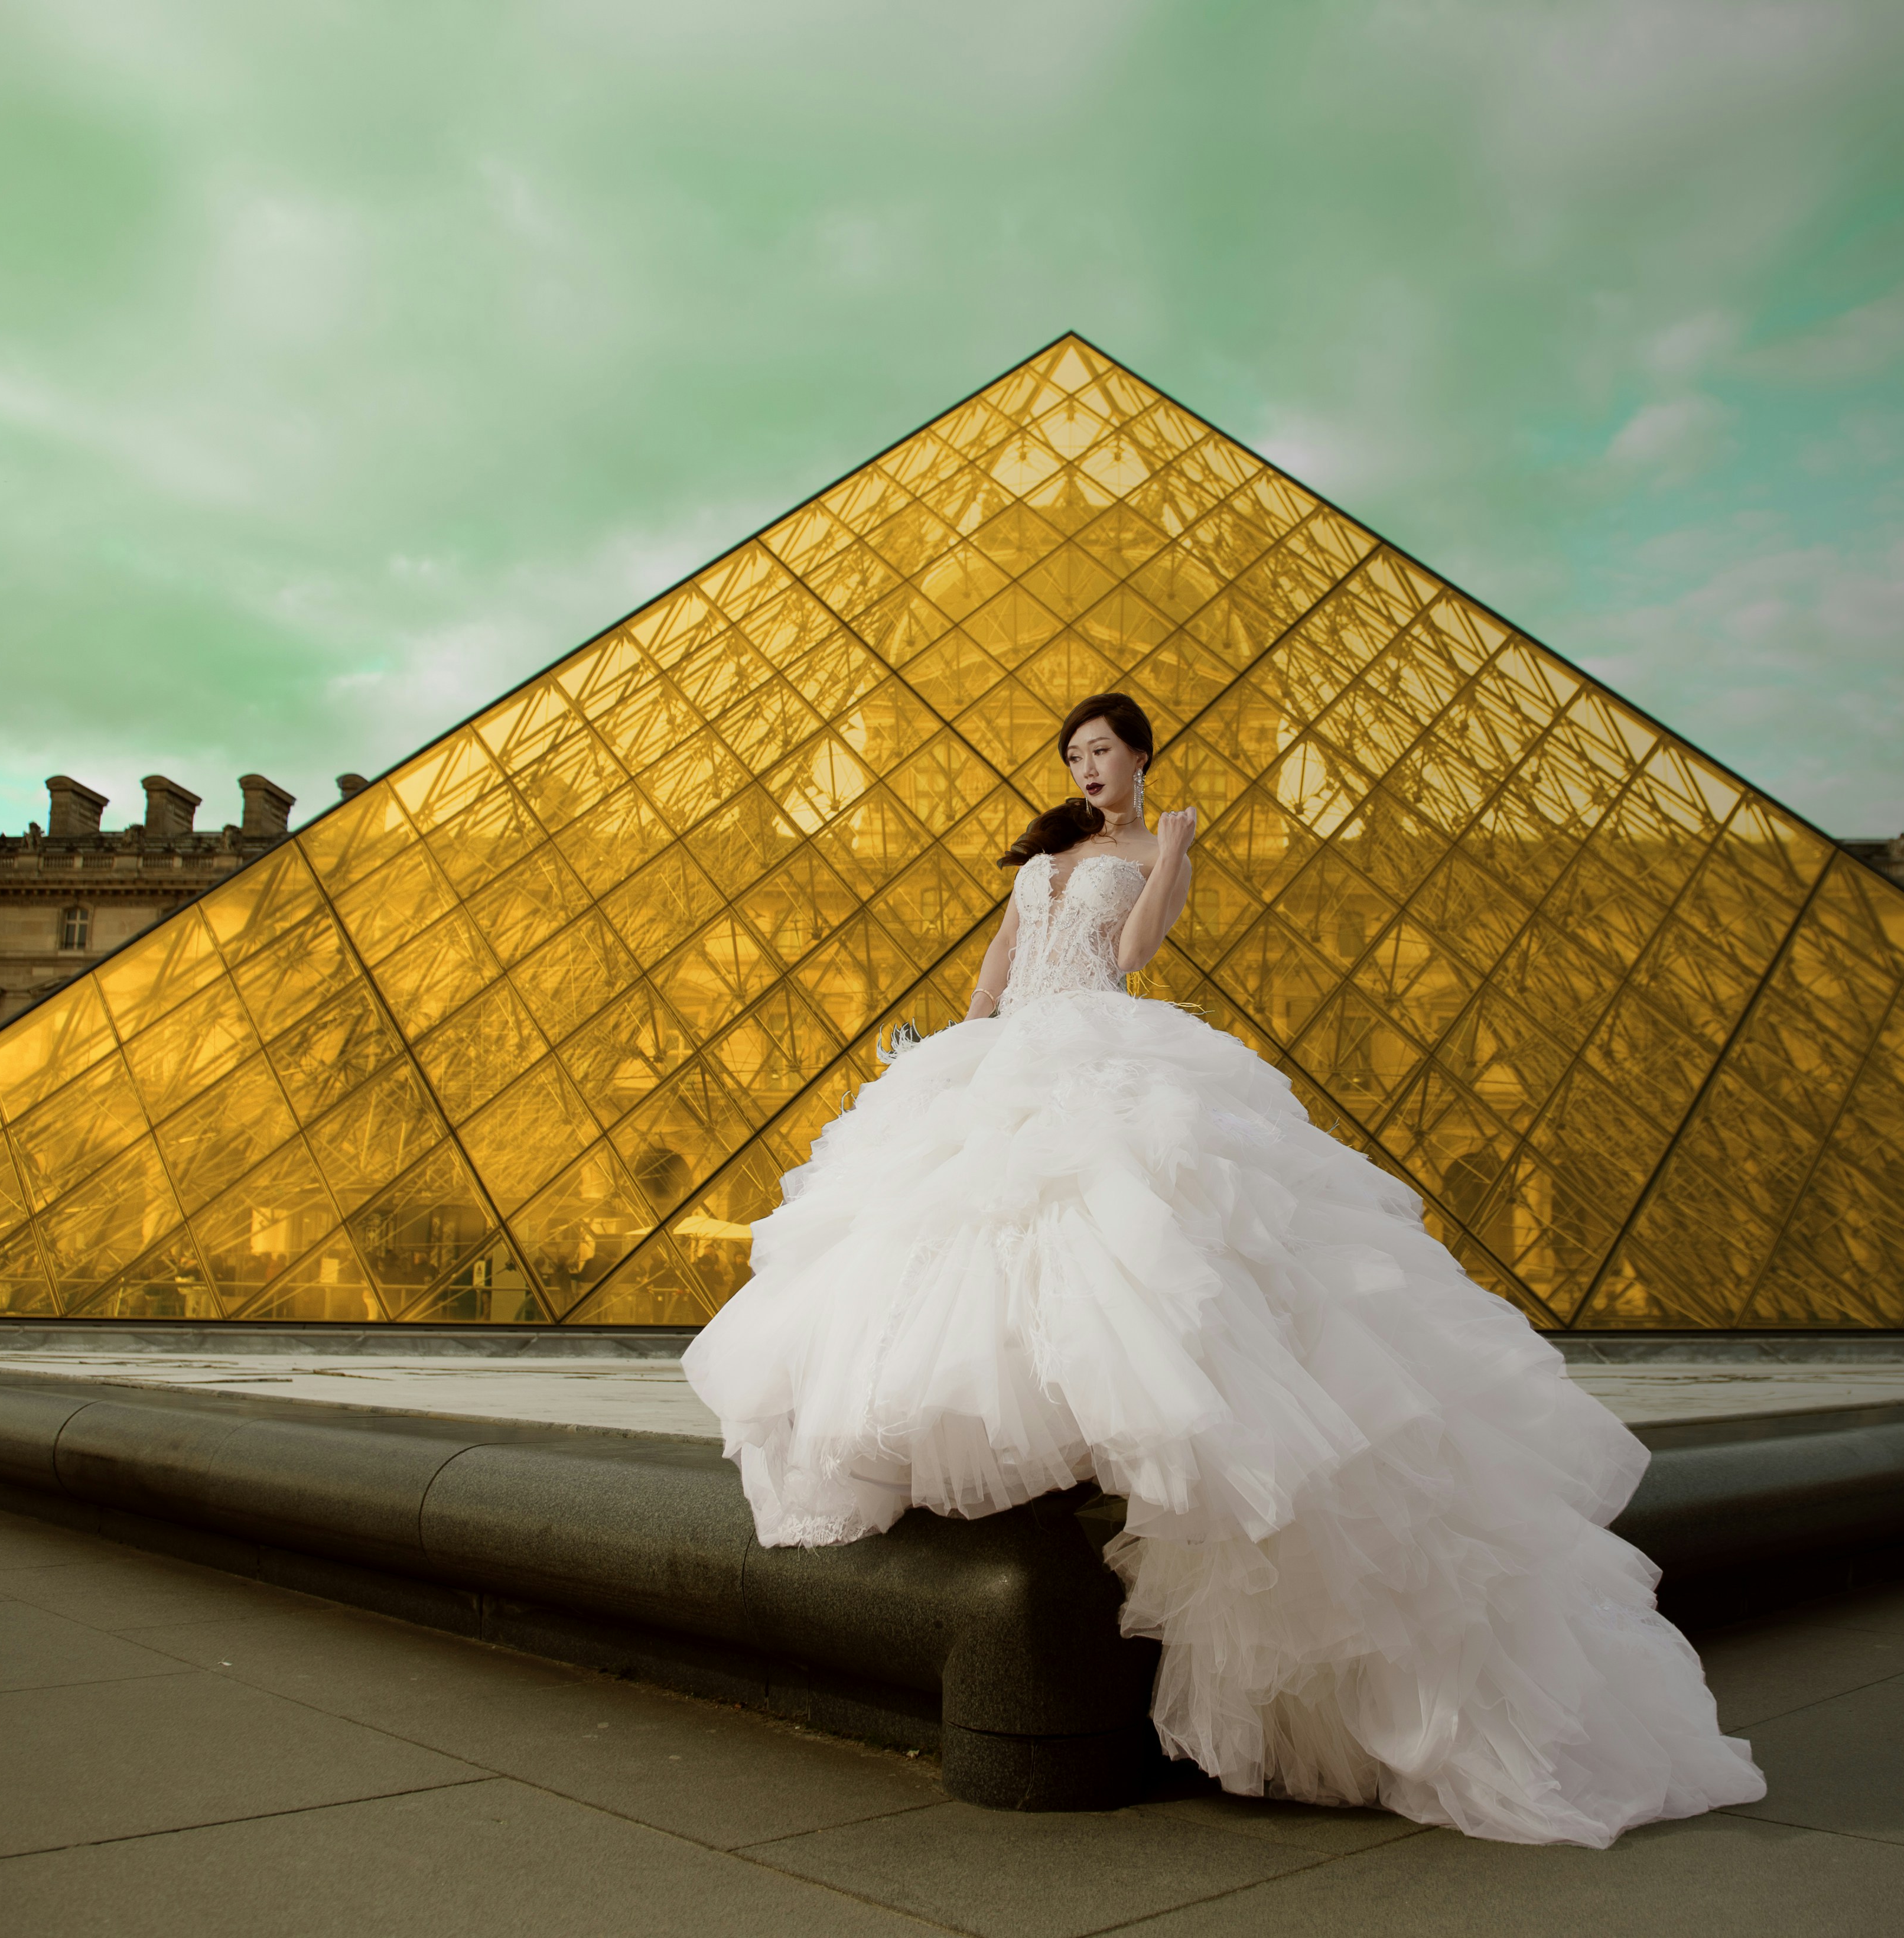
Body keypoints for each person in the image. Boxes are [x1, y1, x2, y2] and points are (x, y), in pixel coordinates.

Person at [683, 691, 1765, 1846]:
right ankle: (1023, 1448)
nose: (1084, 767)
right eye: (1072, 753)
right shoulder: (1046, 855)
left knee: (1127, 1253)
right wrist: (969, 1036)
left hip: (1098, 1043)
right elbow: (999, 960)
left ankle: (1107, 1459)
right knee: (989, 1247)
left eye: (1101, 750)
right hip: (1011, 1054)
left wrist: (1175, 852)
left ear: (1138, 756)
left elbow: (1133, 954)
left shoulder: (1155, 848)